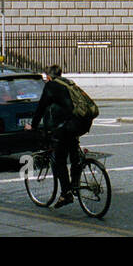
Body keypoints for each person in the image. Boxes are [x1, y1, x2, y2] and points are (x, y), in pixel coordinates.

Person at [30, 64, 90, 209]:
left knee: (59, 160)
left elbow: (41, 107)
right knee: (74, 152)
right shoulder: (68, 83)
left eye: (45, 77)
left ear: (49, 76)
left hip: (65, 127)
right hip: (81, 123)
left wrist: (32, 125)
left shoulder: (51, 87)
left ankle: (66, 193)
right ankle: (75, 183)